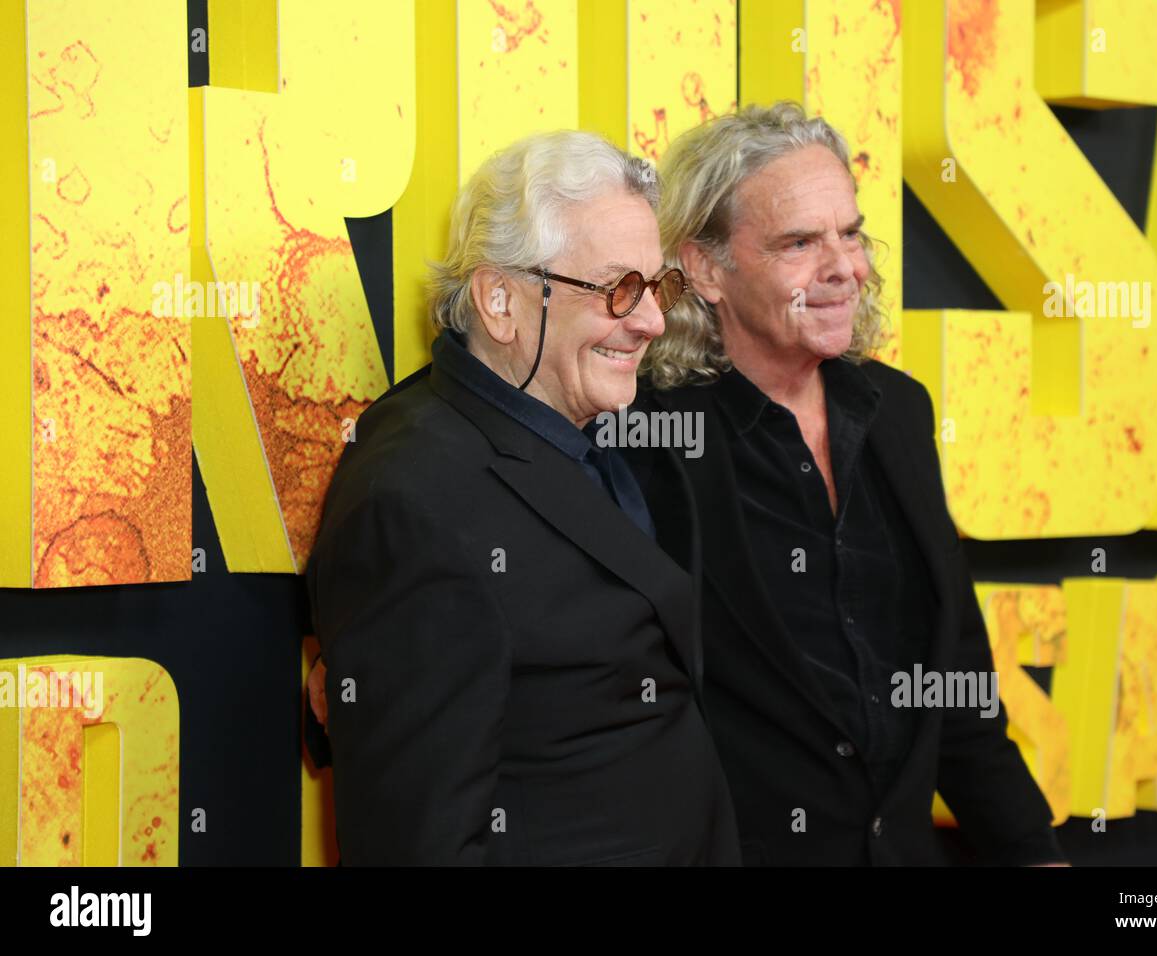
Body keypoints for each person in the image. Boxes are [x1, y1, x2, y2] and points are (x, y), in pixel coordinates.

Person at [630, 101, 1067, 866]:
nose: (845, 270)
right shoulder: (649, 438)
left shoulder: (895, 409)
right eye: (800, 242)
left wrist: (1035, 855)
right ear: (705, 268)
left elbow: (956, 681)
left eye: (851, 233)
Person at [304, 129, 740, 865]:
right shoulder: (414, 500)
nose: (653, 322)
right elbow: (419, 848)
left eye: (656, 286)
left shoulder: (586, 415)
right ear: (500, 299)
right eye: (619, 290)